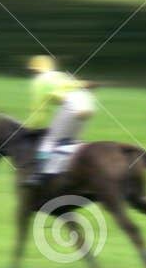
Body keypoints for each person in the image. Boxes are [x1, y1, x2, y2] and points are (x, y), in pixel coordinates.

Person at [27, 54, 95, 183]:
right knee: (73, 140)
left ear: (35, 69)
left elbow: (39, 109)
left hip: (71, 103)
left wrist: (33, 126)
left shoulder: (38, 82)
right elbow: (76, 84)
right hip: (87, 102)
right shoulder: (60, 75)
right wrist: (87, 83)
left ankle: (40, 174)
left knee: (50, 139)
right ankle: (75, 167)